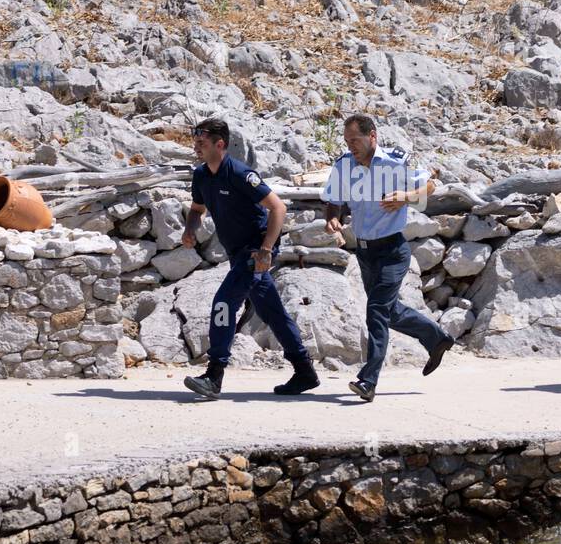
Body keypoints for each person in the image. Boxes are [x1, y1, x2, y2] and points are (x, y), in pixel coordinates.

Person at [180, 119, 319, 400]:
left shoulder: (241, 174)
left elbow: (278, 208)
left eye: (202, 144)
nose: (196, 148)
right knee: (272, 312)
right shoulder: (201, 176)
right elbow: (197, 209)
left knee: (223, 303)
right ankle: (304, 370)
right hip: (236, 253)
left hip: (255, 251)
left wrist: (266, 250)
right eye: (195, 143)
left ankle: (214, 375)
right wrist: (190, 228)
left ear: (220, 144)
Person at [322, 114, 453, 402]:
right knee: (389, 311)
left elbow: (430, 186)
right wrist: (332, 219)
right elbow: (334, 200)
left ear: (373, 136)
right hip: (365, 252)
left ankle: (368, 380)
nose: (351, 147)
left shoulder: (395, 161)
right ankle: (437, 338)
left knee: (376, 310)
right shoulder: (344, 165)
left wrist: (406, 197)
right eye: (347, 141)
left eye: (355, 140)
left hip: (393, 251)